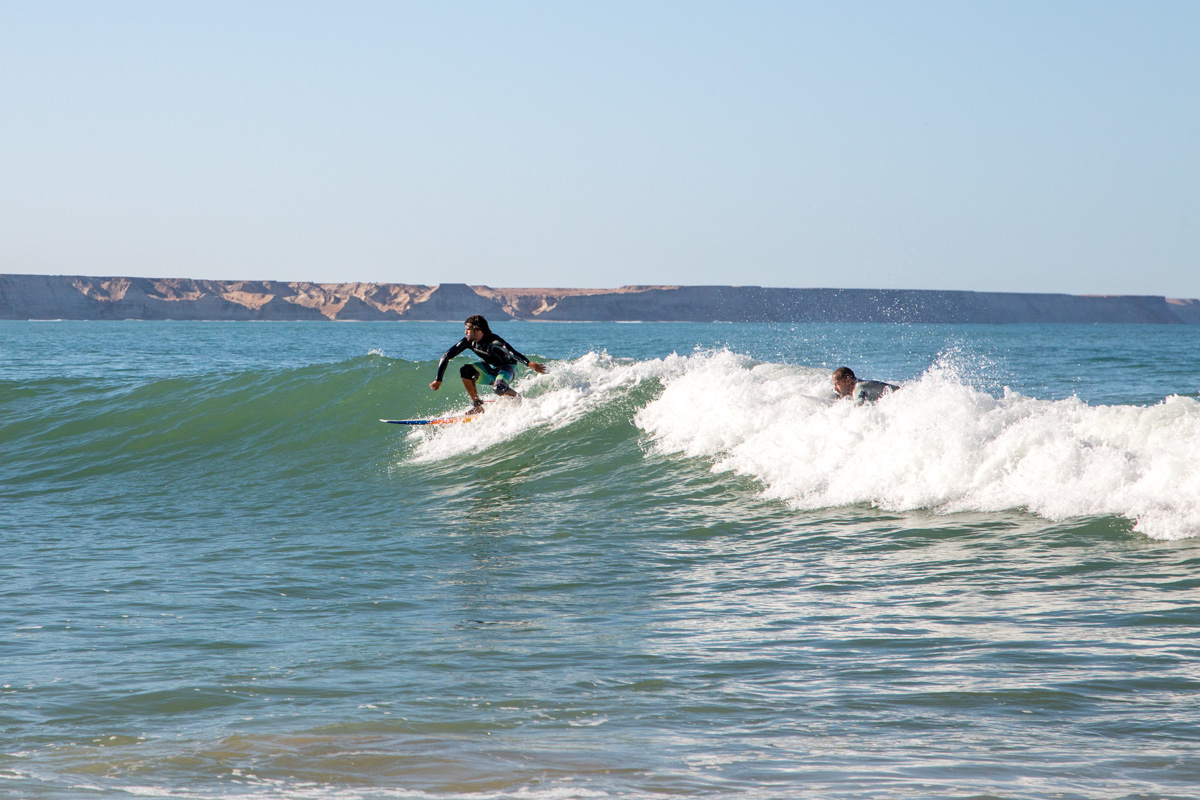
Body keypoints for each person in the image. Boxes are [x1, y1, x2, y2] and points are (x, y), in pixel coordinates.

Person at [430, 315, 547, 414]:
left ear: (477, 329)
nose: (465, 332)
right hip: (490, 369)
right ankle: (477, 406)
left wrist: (528, 363)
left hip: (507, 369)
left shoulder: (494, 342)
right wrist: (438, 379)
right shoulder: (468, 342)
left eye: (468, 329)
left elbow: (511, 352)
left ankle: (524, 404)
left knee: (498, 388)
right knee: (465, 370)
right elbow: (446, 356)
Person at [832, 367, 897, 405]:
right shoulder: (860, 385)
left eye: (837, 384)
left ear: (848, 381)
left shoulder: (858, 388)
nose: (835, 389)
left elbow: (858, 407)